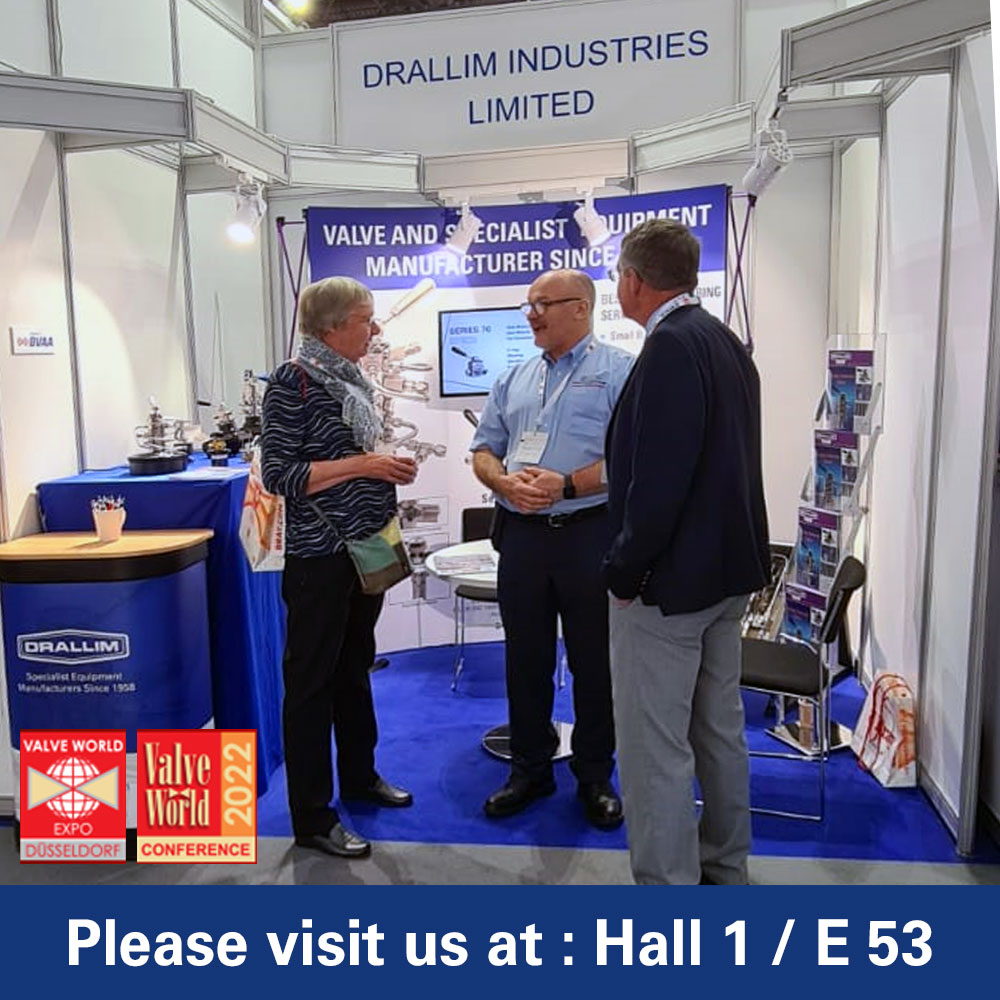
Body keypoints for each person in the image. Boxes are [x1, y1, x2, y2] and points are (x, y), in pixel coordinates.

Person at [604, 220, 770, 885]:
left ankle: (667, 895)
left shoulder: (671, 347)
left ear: (633, 280)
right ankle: (724, 868)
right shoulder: (722, 340)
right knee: (719, 733)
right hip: (725, 577)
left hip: (670, 588)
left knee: (654, 748)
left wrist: (624, 572)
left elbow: (659, 482)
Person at [470, 269, 634, 829]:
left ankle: (594, 775)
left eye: (543, 304)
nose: (531, 315)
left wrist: (565, 485)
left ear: (581, 308)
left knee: (594, 663)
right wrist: (502, 481)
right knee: (525, 659)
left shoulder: (621, 372)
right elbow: (483, 450)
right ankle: (530, 769)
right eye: (528, 305)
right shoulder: (513, 377)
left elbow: (632, 459)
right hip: (522, 537)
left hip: (590, 534)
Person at [261, 276, 417, 859]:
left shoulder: (353, 379)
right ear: (329, 327)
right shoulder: (292, 381)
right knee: (311, 684)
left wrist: (383, 467)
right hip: (321, 555)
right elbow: (280, 475)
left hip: (370, 543)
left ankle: (359, 775)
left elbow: (350, 458)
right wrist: (364, 465)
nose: (374, 329)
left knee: (354, 667)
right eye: (364, 319)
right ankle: (312, 816)